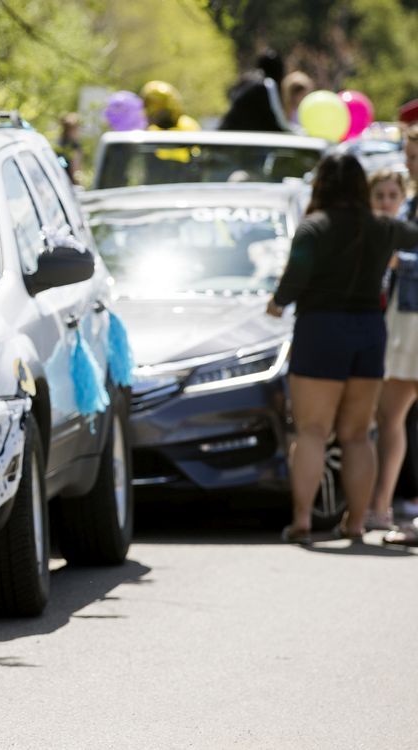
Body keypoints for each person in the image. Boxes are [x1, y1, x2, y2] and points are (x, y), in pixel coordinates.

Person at [266, 153, 418, 544]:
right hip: (369, 332)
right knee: (357, 435)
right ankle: (355, 524)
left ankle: (302, 521)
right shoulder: (382, 227)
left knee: (313, 432)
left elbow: (294, 279)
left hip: (320, 330)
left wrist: (277, 302)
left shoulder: (314, 228)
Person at [367, 169, 414, 531]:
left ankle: (382, 506)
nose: (386, 202)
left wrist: (401, 261)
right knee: (387, 418)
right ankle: (380, 506)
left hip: (409, 324)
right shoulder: (396, 218)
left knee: (390, 417)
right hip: (393, 324)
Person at [220, 49, 291, 132]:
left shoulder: (246, 81)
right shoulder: (268, 84)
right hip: (243, 137)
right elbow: (279, 120)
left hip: (230, 134)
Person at [55, 112, 84, 184]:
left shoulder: (59, 144)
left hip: (58, 183)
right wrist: (78, 184)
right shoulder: (74, 147)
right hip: (68, 185)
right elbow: (75, 171)